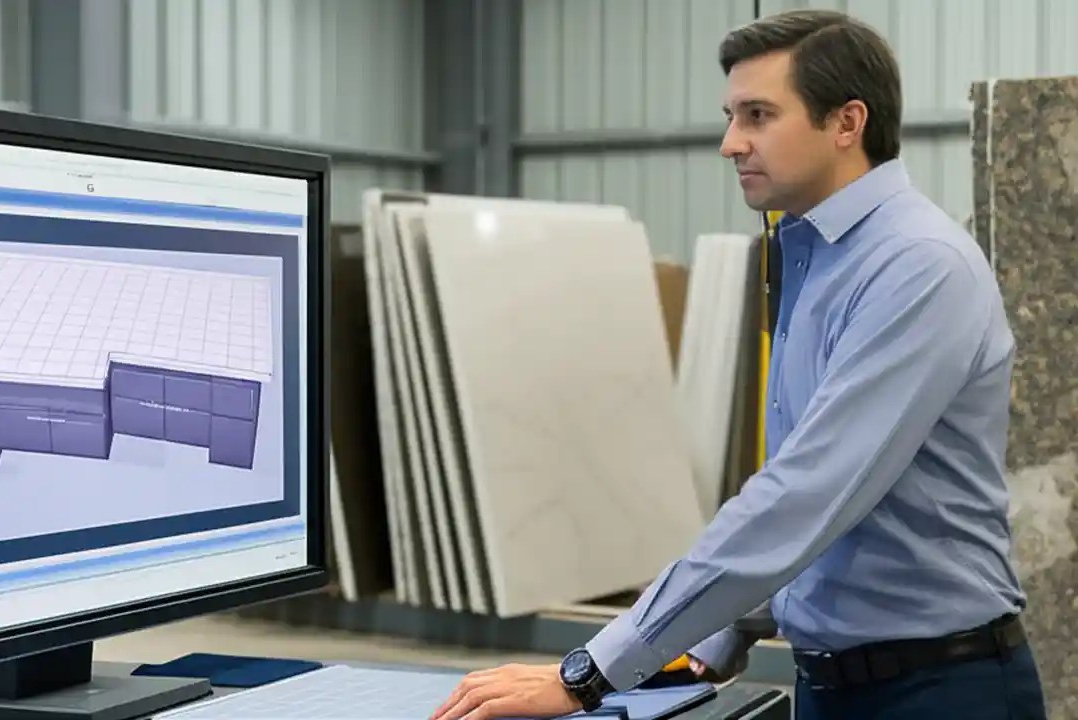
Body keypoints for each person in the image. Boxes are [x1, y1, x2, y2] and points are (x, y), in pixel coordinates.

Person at [428, 9, 1047, 720]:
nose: (730, 143)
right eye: (731, 115)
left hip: (938, 692)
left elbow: (807, 494)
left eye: (757, 115)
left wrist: (587, 673)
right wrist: (718, 629)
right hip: (832, 684)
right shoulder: (812, 256)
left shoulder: (917, 268)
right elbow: (823, 505)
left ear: (847, 123)